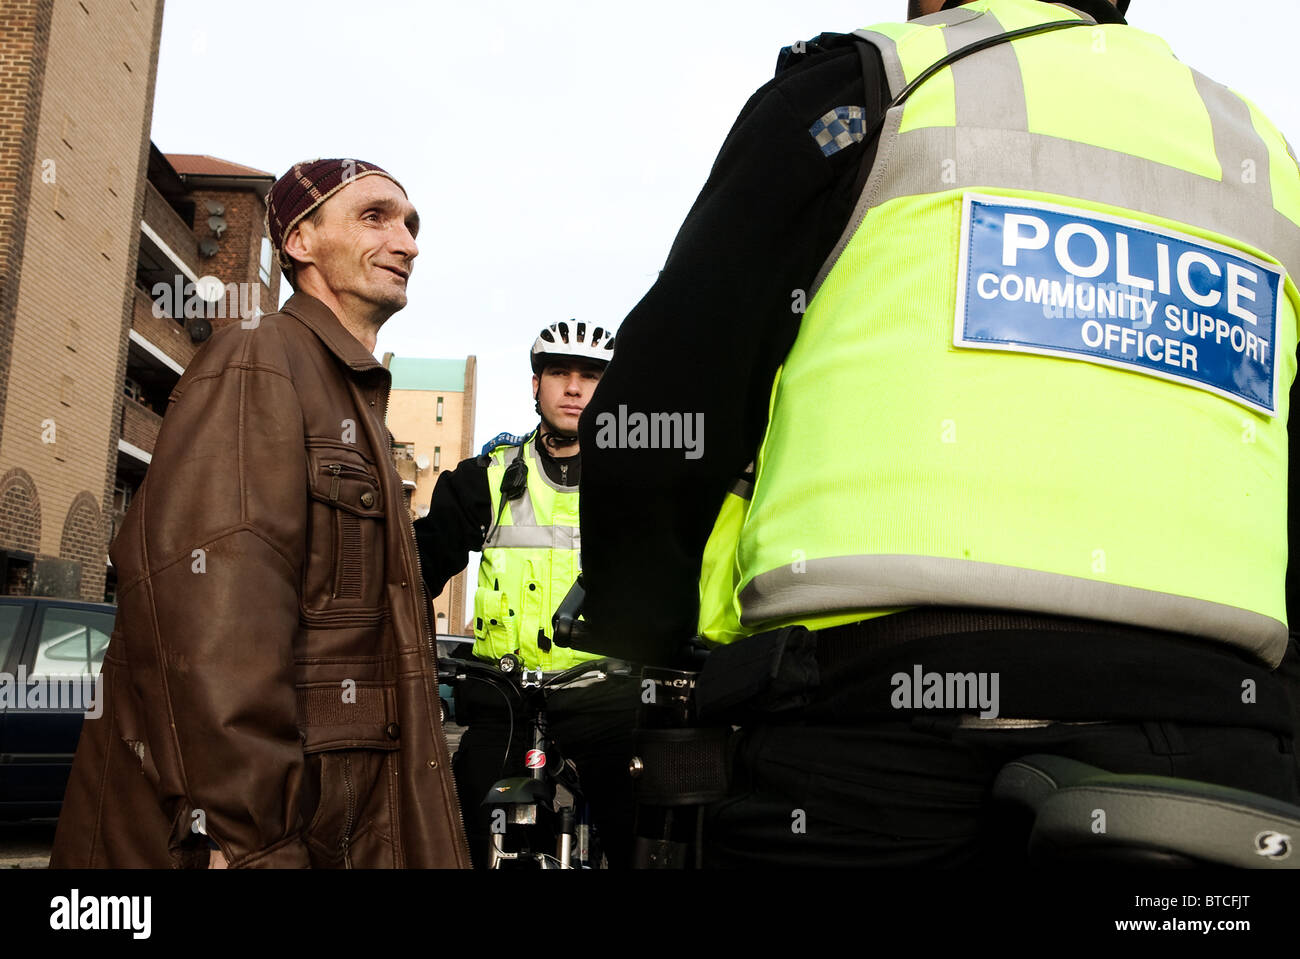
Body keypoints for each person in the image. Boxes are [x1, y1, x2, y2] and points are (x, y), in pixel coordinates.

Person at [576, 0, 1300, 866]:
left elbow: (662, 406)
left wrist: (642, 632)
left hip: (879, 728)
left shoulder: (875, 86)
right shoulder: (1265, 158)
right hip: (1217, 748)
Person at [51, 158, 470, 868]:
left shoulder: (347, 393)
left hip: (335, 817)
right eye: (374, 217)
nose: (408, 242)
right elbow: (212, 628)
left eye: (410, 224)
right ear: (301, 241)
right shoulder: (258, 363)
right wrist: (251, 840)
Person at [414, 321, 639, 867]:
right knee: (461, 822)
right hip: (504, 697)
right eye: (559, 373)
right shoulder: (486, 477)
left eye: (590, 376)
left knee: (641, 828)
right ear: (534, 386)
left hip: (600, 697)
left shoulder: (635, 484)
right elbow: (414, 572)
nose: (574, 388)